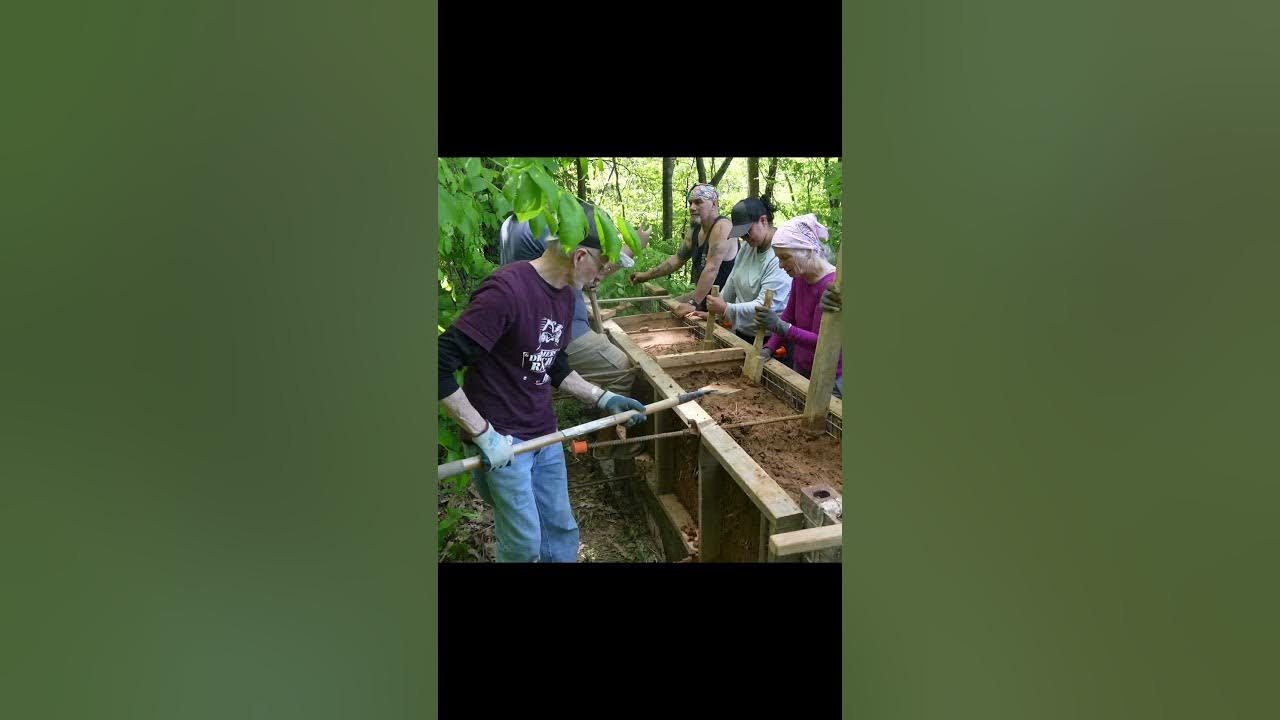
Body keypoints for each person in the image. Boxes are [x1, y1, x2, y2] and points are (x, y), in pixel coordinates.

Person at [438, 203, 648, 562]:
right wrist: (483, 434)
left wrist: (603, 397)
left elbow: (555, 363)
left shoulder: (566, 294)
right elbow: (439, 364)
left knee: (560, 531)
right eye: (601, 265)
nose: (602, 276)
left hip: (544, 433)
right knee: (523, 546)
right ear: (580, 255)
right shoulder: (505, 292)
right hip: (504, 442)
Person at [498, 208, 651, 458]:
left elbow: (571, 268)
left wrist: (587, 275)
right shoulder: (544, 226)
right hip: (557, 331)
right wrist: (635, 245)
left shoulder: (514, 222)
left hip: (551, 327)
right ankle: (607, 444)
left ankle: (597, 414)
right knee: (621, 367)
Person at [755, 214, 843, 398]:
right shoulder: (800, 278)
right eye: (779, 258)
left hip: (830, 377)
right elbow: (789, 316)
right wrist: (769, 348)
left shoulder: (833, 287)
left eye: (785, 257)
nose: (780, 265)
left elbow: (821, 341)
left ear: (808, 250)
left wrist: (781, 327)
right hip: (802, 368)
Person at [687, 196, 791, 345]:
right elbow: (732, 281)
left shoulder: (780, 254)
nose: (744, 237)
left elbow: (766, 305)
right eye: (741, 233)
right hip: (743, 334)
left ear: (763, 221)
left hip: (772, 340)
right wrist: (715, 312)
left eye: (747, 231)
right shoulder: (748, 248)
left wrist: (726, 308)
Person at [628, 182, 738, 318]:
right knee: (662, 312)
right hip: (702, 297)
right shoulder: (695, 229)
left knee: (671, 316)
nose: (692, 207)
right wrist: (646, 275)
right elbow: (677, 259)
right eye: (690, 203)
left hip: (722, 304)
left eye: (698, 202)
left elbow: (712, 268)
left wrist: (693, 303)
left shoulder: (722, 227)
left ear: (714, 204)